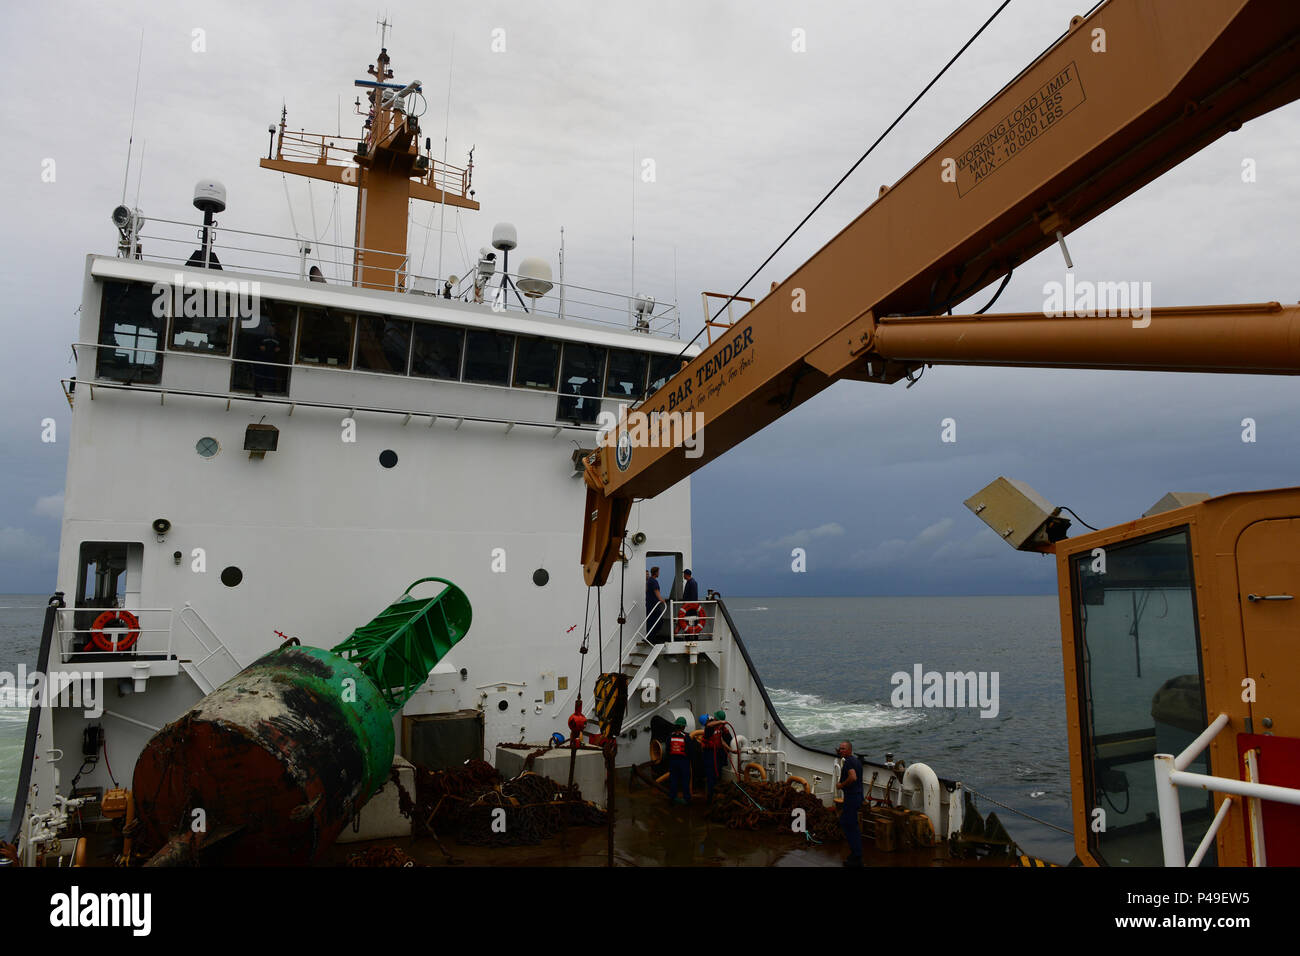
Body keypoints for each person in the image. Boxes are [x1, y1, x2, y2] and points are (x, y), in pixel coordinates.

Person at [835, 741, 865, 867]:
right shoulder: (856, 761)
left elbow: (853, 777)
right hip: (857, 797)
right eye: (840, 748)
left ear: (849, 750)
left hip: (852, 798)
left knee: (848, 825)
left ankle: (856, 856)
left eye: (843, 749)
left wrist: (841, 785)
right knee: (849, 823)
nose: (841, 750)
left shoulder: (848, 762)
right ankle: (855, 853)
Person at [701, 710, 733, 800]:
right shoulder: (709, 728)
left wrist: (731, 750)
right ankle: (710, 797)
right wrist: (720, 721)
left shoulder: (719, 729)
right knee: (710, 776)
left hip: (716, 753)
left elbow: (721, 741)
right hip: (709, 754)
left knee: (717, 774)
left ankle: (715, 794)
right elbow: (708, 725)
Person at [667, 717, 691, 805]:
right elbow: (690, 750)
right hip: (683, 761)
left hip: (673, 761)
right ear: (683, 727)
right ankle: (686, 799)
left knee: (673, 780)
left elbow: (667, 749)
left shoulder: (670, 736)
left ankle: (672, 797)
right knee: (685, 780)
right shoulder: (686, 737)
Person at [645, 566, 667, 643]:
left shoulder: (649, 581)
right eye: (658, 572)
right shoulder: (654, 581)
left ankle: (649, 637)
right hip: (654, 605)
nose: (659, 573)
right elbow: (656, 592)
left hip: (649, 604)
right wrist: (662, 600)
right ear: (656, 572)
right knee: (659, 621)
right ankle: (652, 637)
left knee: (650, 621)